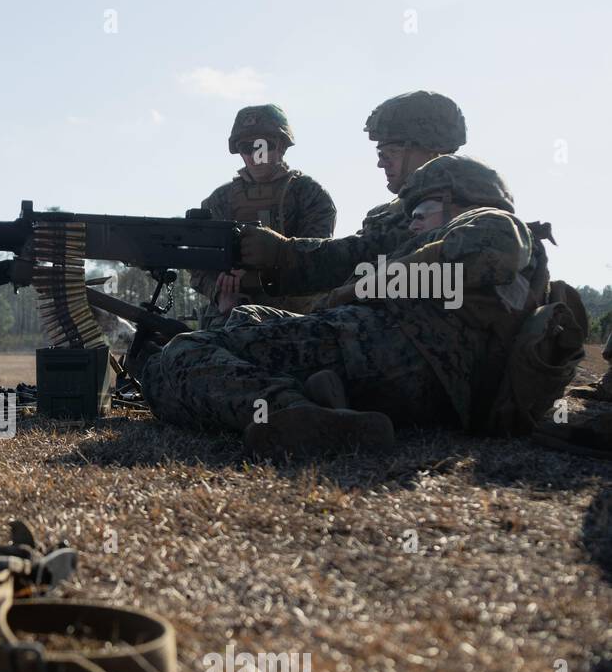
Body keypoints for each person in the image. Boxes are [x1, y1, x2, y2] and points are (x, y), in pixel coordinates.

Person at [132, 155, 578, 458]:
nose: (413, 221)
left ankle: (292, 411)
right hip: (398, 368)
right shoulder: (485, 249)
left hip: (394, 354)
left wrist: (357, 289)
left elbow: (485, 251)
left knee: (179, 357)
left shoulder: (494, 221)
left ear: (461, 198)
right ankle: (325, 404)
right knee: (251, 317)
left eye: (422, 208)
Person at [238, 91, 467, 304]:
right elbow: (348, 272)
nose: (381, 162)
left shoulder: (455, 209)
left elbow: (361, 257)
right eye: (381, 153)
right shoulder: (387, 213)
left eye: (391, 152)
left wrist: (282, 251)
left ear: (431, 150)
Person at [189, 105, 336, 328]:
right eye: (247, 147)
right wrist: (220, 294)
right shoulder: (219, 201)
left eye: (264, 145)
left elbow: (316, 259)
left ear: (282, 146)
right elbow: (199, 264)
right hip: (228, 314)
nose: (256, 155)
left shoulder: (310, 195)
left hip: (294, 317)